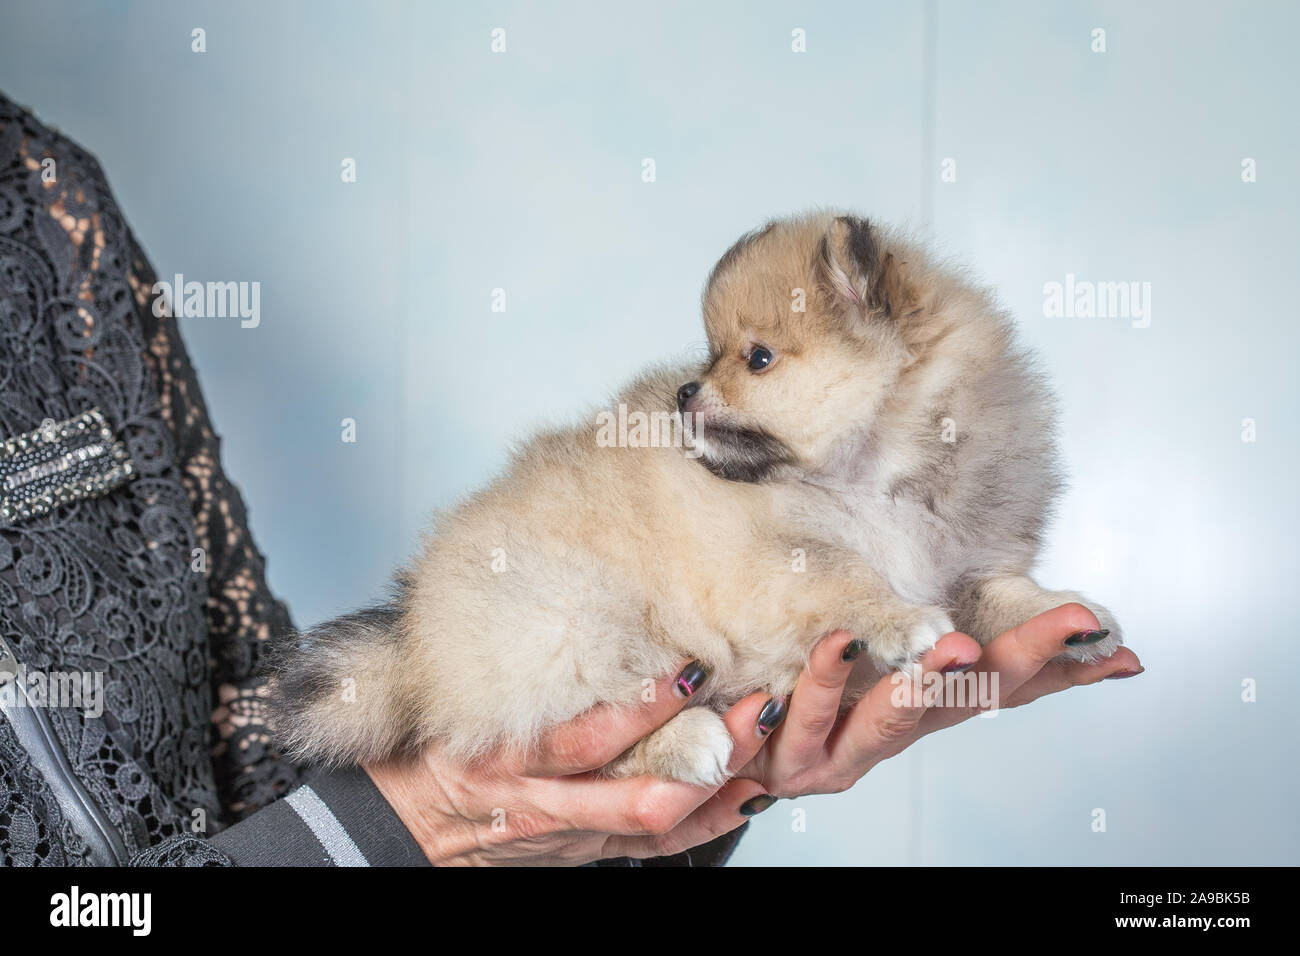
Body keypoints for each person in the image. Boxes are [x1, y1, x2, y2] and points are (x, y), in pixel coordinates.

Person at [0, 92, 1143, 867]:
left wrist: (672, 809)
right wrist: (402, 820)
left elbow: (262, 720)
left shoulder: (53, 203)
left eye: (751, 358)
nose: (708, 394)